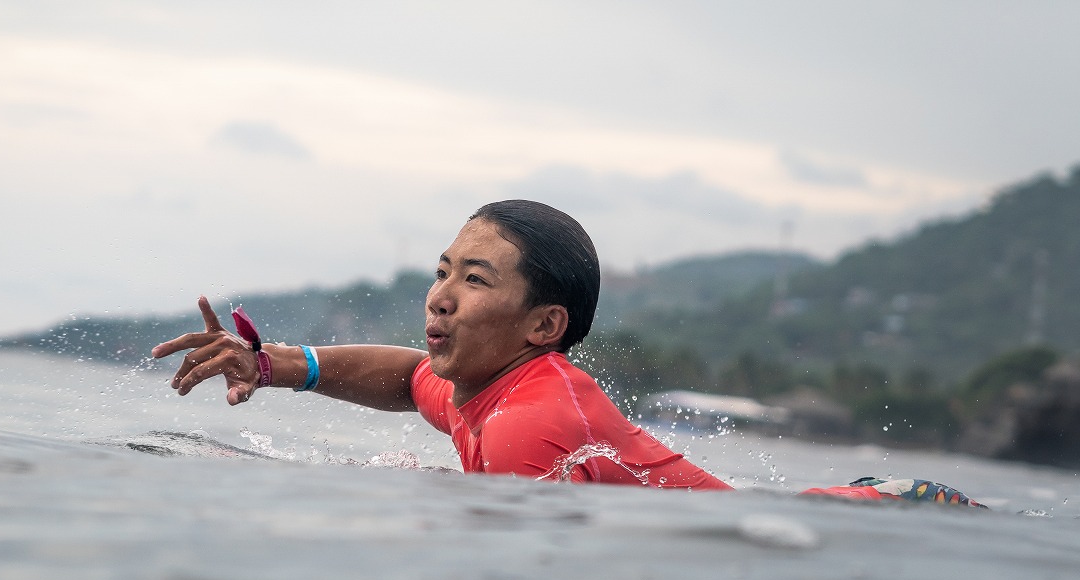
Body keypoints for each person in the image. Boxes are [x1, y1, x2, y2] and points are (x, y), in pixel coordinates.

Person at [152, 200, 983, 506]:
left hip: (892, 514)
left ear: (543, 325)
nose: (441, 296)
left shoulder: (532, 422)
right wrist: (277, 364)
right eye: (443, 271)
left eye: (475, 280)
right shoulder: (490, 388)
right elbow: (410, 378)